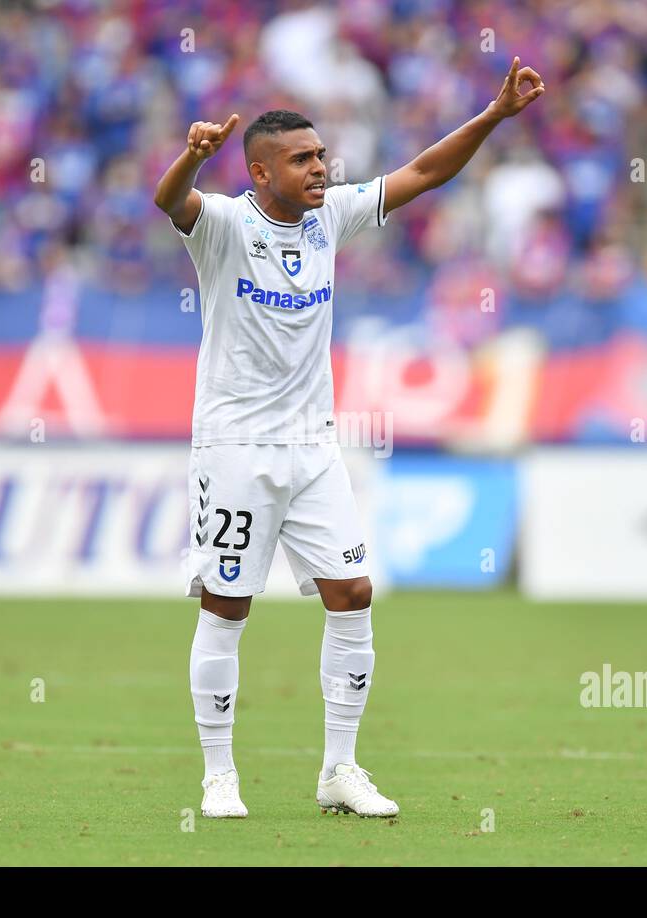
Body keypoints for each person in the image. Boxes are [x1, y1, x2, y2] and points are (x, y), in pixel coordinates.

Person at [153, 58, 545, 817]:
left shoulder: (331, 216)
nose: (320, 169)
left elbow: (427, 170)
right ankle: (218, 776)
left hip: (314, 447)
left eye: (322, 156)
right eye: (302, 160)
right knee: (227, 607)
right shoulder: (228, 225)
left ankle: (339, 770)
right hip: (235, 447)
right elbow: (169, 201)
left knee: (354, 593)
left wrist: (494, 115)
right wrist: (193, 156)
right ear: (260, 174)